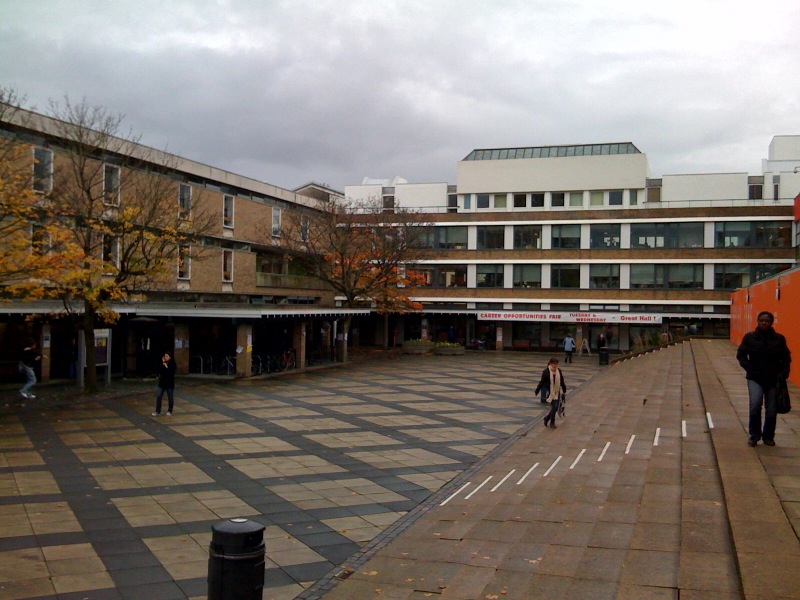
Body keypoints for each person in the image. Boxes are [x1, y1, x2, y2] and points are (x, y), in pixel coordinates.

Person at [736, 311, 791, 447]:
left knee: (771, 409)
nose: (764, 323)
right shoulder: (750, 337)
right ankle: (754, 435)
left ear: (771, 322)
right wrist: (749, 368)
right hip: (755, 377)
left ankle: (768, 437)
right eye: (762, 320)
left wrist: (784, 373)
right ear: (757, 321)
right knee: (755, 405)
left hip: (773, 379)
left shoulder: (779, 339)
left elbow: (786, 358)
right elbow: (741, 355)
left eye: (767, 321)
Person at [534, 358, 567, 428]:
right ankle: (552, 422)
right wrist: (537, 390)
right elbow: (542, 381)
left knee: (555, 407)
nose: (556, 365)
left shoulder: (559, 371)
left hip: (557, 391)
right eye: (554, 364)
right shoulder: (546, 372)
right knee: (554, 407)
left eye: (556, 364)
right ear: (551, 363)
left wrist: (564, 388)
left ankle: (547, 418)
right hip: (549, 392)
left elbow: (562, 380)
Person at [153, 351, 177, 416]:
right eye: (165, 356)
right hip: (162, 383)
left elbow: (170, 373)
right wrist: (163, 364)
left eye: (167, 356)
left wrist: (166, 367)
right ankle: (158, 410)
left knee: (170, 397)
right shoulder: (162, 363)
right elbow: (159, 371)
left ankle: (170, 410)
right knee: (159, 396)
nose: (165, 357)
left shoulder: (172, 364)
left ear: (170, 357)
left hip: (169, 383)